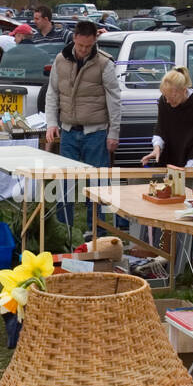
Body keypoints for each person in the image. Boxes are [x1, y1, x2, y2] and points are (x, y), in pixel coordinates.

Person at [44, 19, 122, 232]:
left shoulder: (105, 63)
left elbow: (114, 99)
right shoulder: (60, 60)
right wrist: (51, 122)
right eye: (81, 46)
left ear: (95, 40)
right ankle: (63, 231)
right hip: (68, 131)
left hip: (96, 133)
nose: (84, 50)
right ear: (74, 39)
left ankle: (97, 231)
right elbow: (52, 93)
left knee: (99, 185)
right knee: (63, 184)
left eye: (89, 46)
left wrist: (113, 132)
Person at [139, 66, 193, 168]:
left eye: (172, 97)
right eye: (166, 97)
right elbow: (161, 128)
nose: (168, 101)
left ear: (184, 90)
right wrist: (157, 148)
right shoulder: (165, 100)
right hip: (184, 145)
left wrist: (187, 170)